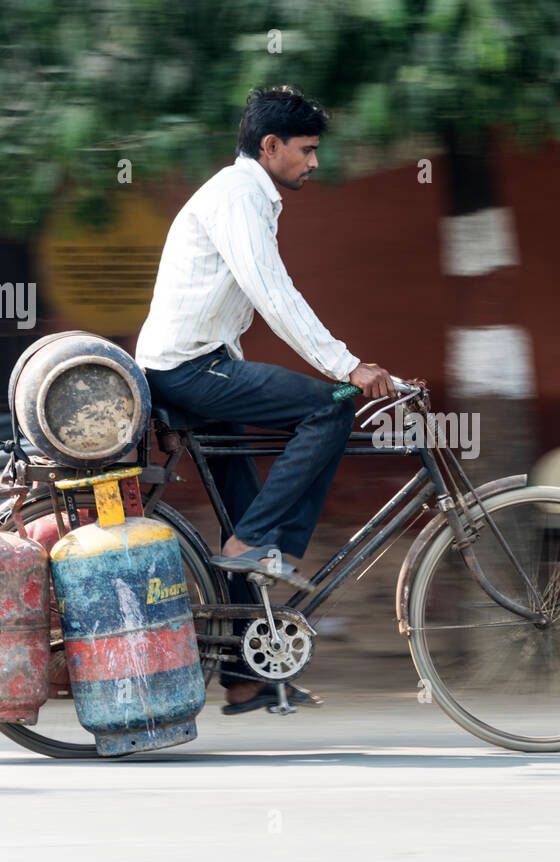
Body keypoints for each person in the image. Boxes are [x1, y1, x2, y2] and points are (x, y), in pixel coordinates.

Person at [134, 85, 401, 715]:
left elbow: (229, 314)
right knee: (329, 405)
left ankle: (249, 675)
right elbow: (274, 296)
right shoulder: (238, 197)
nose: (315, 163)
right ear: (270, 146)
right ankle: (257, 544)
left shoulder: (249, 198)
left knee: (243, 509)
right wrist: (348, 366)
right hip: (186, 371)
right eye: (307, 151)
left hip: (200, 368)